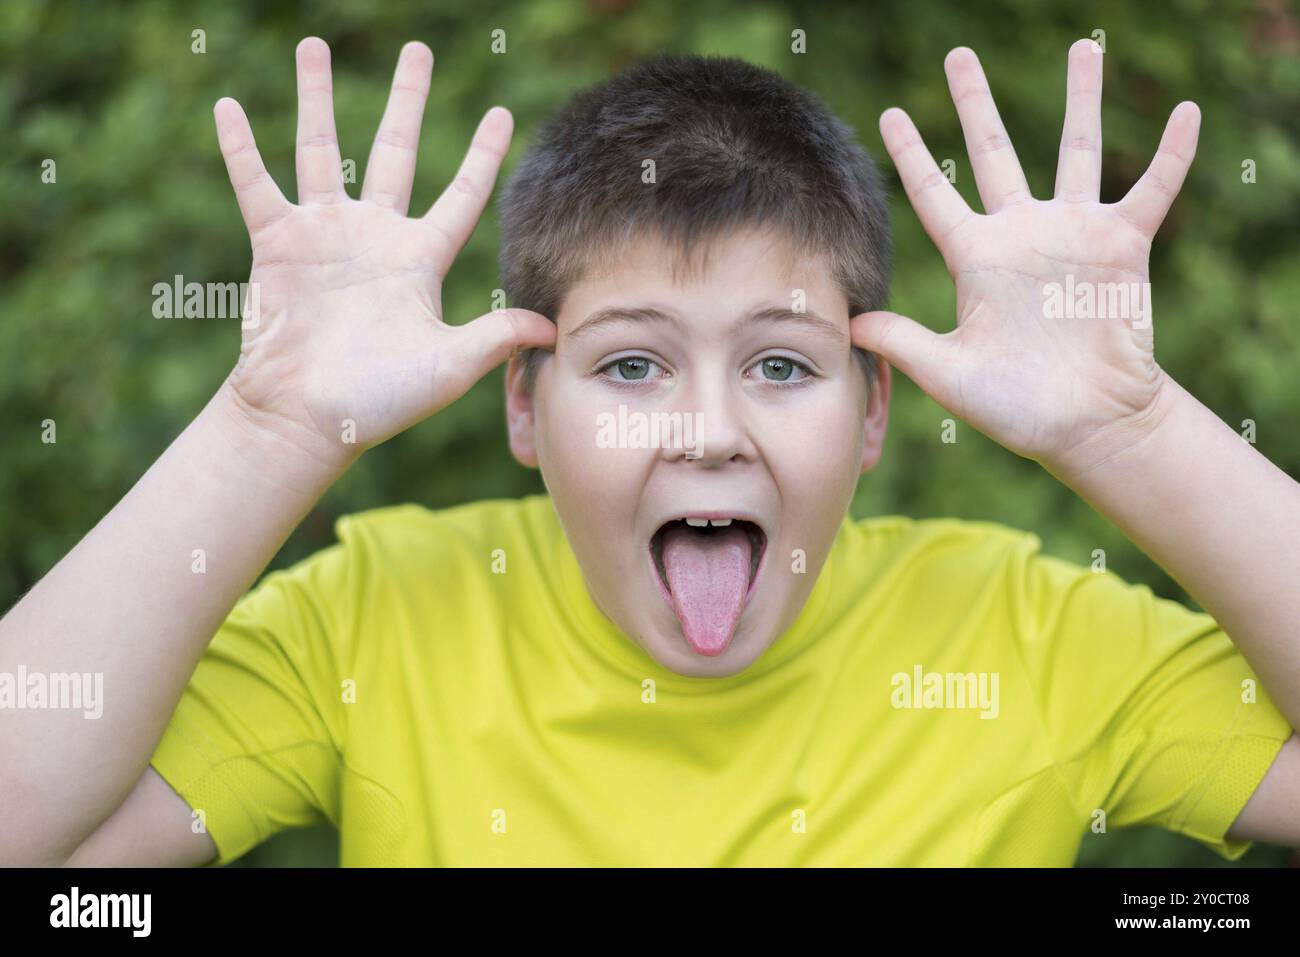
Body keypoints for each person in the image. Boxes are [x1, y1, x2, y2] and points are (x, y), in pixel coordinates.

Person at [2, 37, 1297, 867]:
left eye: (783, 364)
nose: (710, 428)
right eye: (631, 364)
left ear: (874, 415)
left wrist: (1133, 429)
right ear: (524, 408)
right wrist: (267, 424)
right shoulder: (375, 618)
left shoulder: (1025, 633)